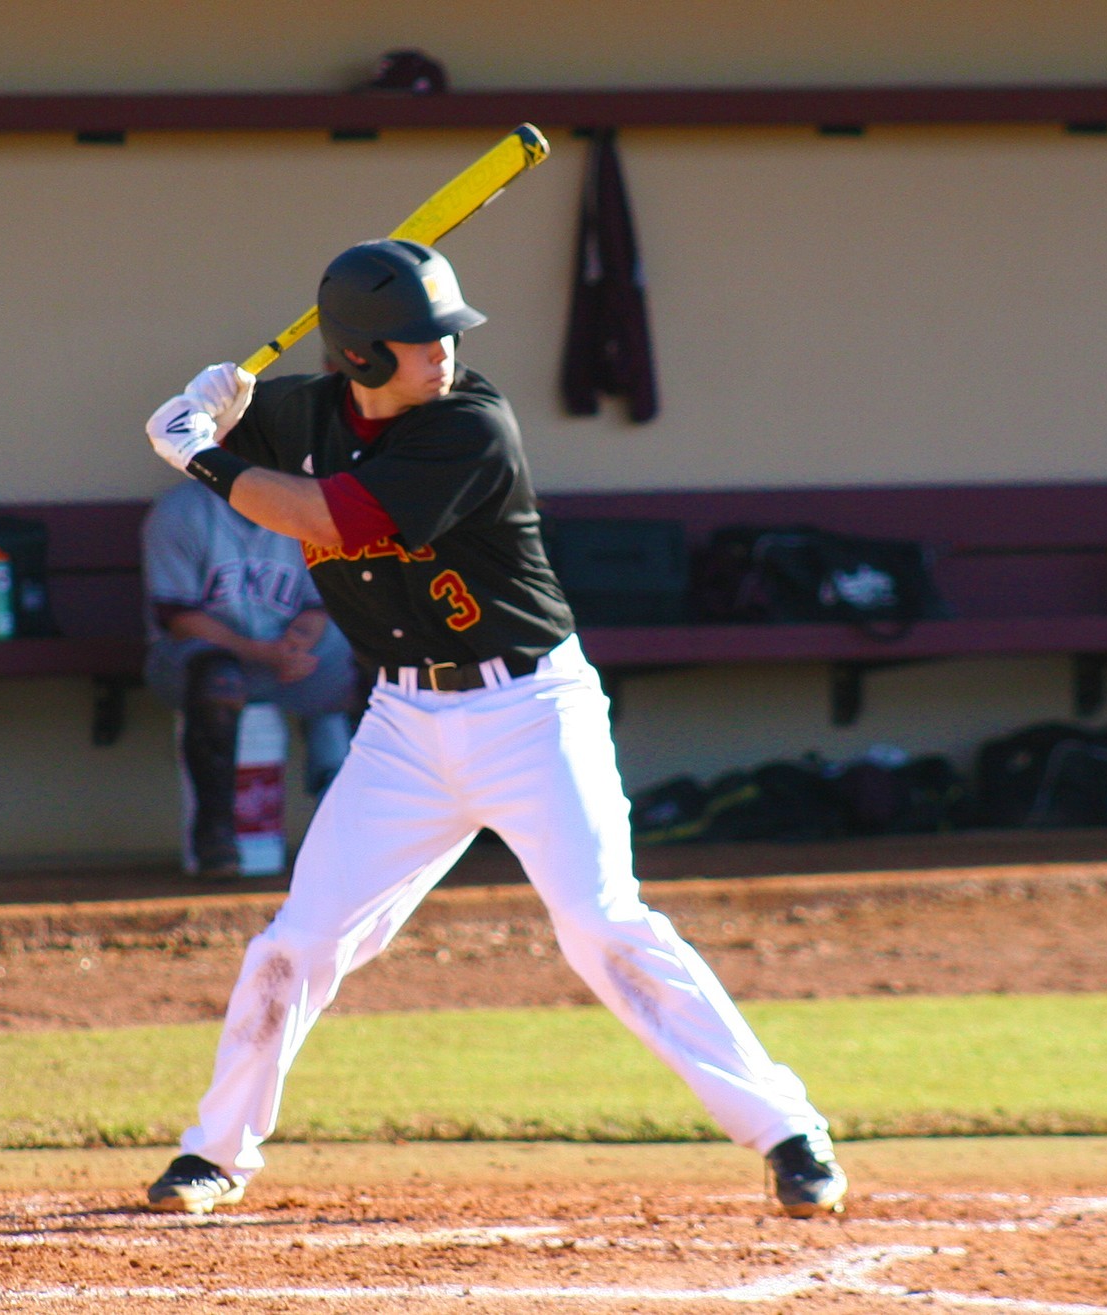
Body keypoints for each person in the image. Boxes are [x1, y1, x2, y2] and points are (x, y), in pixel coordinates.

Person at [141, 238, 847, 1217]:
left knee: (603, 925)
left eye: (447, 334)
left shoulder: (470, 425)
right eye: (418, 339)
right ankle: (214, 1153)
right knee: (297, 942)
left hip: (531, 711)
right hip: (402, 723)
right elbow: (238, 424)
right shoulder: (303, 412)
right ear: (359, 354)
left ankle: (788, 1132)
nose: (443, 353)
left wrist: (200, 453)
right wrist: (212, 406)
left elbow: (325, 518)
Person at [142, 480, 359, 877]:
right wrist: (261, 652)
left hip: (282, 660)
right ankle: (215, 837)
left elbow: (318, 603)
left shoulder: (303, 504)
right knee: (218, 680)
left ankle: (351, 823)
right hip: (194, 660)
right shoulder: (182, 511)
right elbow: (178, 618)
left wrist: (299, 641)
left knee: (365, 663)